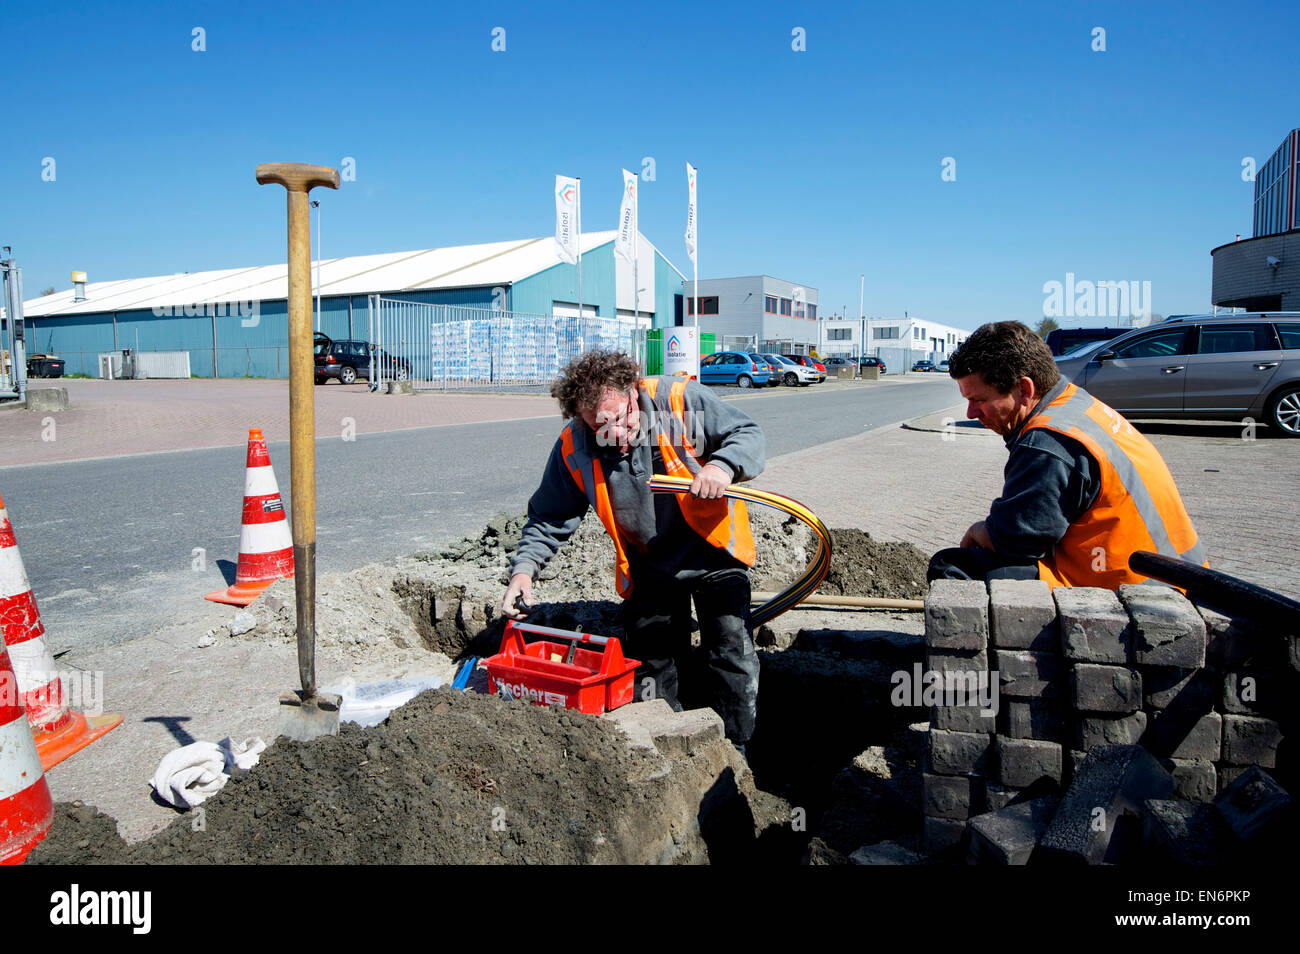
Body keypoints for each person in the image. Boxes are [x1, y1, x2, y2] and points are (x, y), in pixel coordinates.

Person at [502, 350, 765, 745]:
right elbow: (550, 516)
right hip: (650, 562)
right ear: (581, 417)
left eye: (624, 418)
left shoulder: (679, 401)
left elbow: (748, 434)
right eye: (600, 425)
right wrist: (524, 570)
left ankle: (736, 748)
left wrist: (721, 466)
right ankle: (668, 745)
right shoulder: (575, 445)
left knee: (730, 653)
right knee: (652, 662)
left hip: (714, 552)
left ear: (632, 390)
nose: (618, 433)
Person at [929, 320, 1206, 588]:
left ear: (1024, 389)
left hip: (1133, 590)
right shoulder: (1077, 404)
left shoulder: (1047, 443)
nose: (971, 414)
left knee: (950, 565)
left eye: (979, 400)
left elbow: (1015, 542)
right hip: (1180, 573)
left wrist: (979, 530)